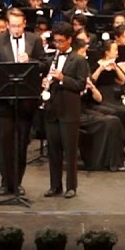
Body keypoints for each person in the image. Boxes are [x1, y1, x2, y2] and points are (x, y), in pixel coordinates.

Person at [0, 8, 46, 196]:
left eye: (19, 26)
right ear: (7, 25)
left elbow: (44, 64)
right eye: (12, 26)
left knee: (21, 144)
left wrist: (31, 61)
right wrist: (8, 69)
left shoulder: (34, 40)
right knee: (4, 144)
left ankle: (17, 182)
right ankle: (6, 181)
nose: (16, 29)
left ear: (24, 24)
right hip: (4, 100)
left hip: (25, 101)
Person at [41, 22, 86, 198]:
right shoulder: (52, 58)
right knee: (53, 151)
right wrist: (46, 82)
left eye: (61, 41)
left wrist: (62, 78)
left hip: (69, 110)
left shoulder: (79, 60)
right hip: (53, 109)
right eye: (56, 41)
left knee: (70, 151)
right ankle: (55, 186)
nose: (58, 45)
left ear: (69, 40)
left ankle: (71, 186)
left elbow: (80, 85)